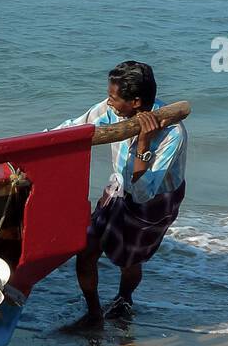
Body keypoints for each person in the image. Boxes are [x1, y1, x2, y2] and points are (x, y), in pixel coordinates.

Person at [55, 60, 187, 331]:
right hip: (118, 187)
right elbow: (74, 127)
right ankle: (94, 314)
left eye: (114, 97)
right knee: (86, 249)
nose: (109, 102)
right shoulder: (111, 109)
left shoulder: (173, 134)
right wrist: (34, 146)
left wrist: (143, 143)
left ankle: (124, 299)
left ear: (136, 102)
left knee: (130, 261)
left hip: (155, 201)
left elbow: (142, 193)